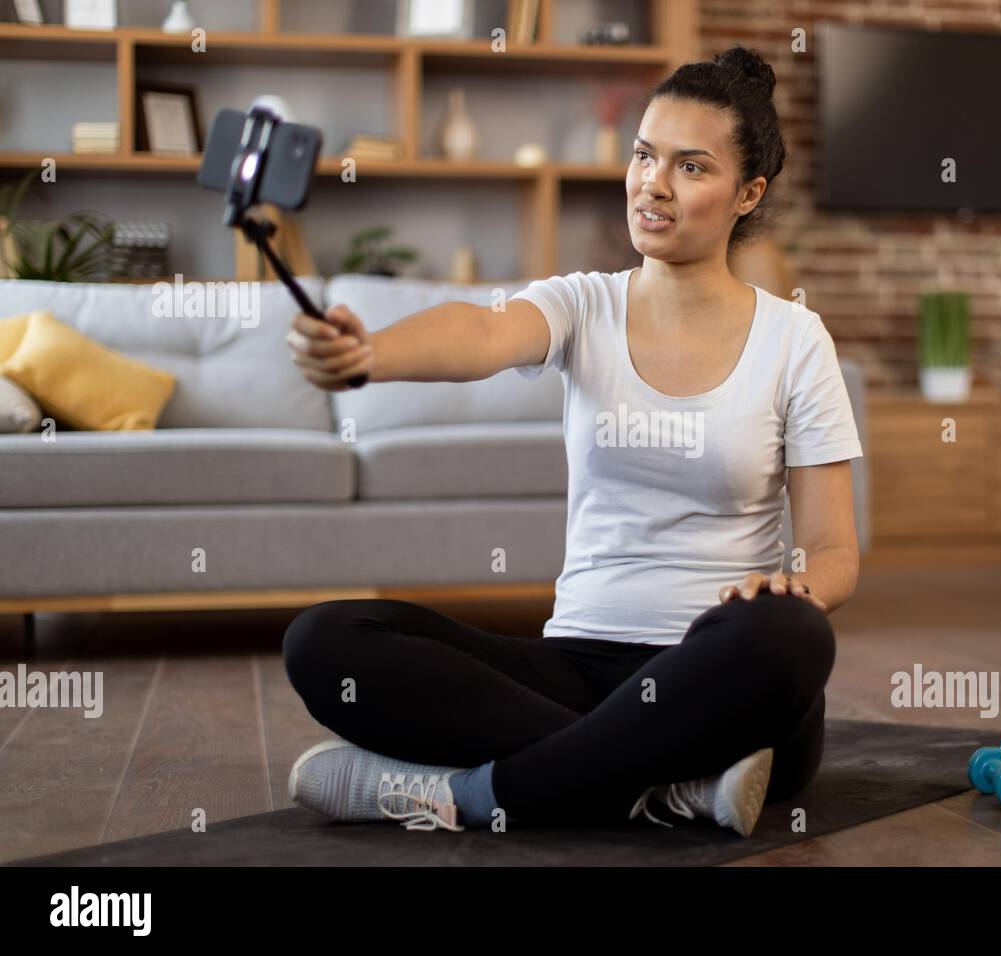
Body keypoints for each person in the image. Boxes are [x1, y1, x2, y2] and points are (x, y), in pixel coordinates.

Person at [281, 45, 863, 838]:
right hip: (578, 667)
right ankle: (670, 786)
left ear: (747, 193)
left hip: (724, 674)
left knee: (794, 635)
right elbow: (483, 331)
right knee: (326, 640)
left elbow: (834, 552)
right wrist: (370, 353)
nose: (654, 184)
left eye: (691, 167)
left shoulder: (795, 339)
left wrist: (798, 589)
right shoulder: (582, 305)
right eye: (644, 155)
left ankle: (474, 793)